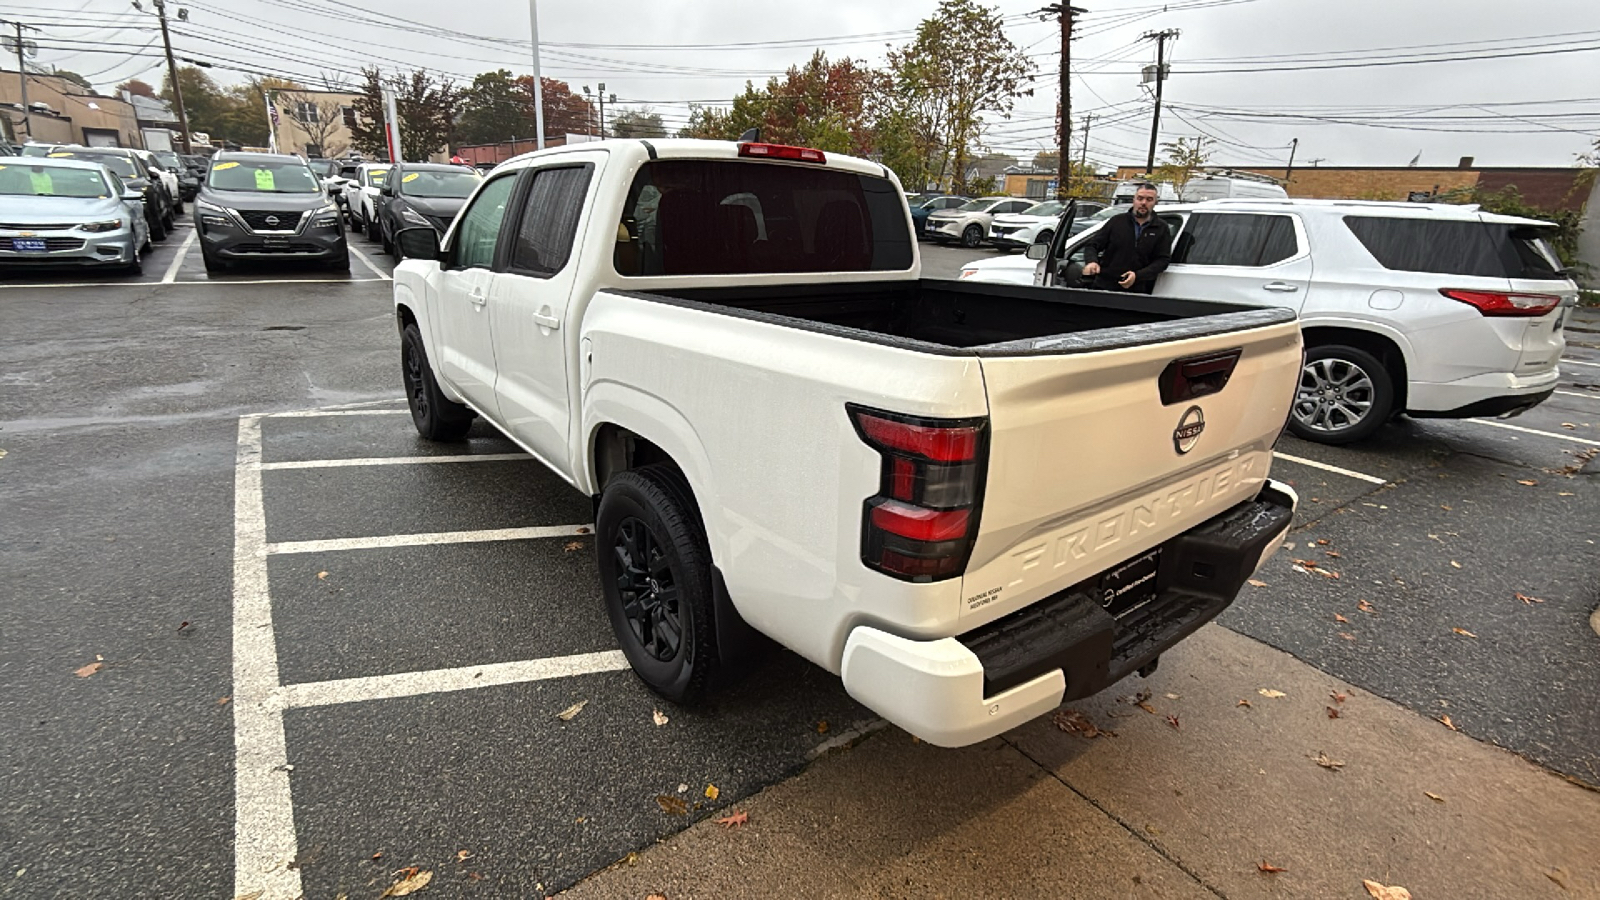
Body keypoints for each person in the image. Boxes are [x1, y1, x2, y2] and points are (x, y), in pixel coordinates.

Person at [1081, 182, 1171, 294]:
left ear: (1155, 202)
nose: (1143, 203)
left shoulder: (1161, 228)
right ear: (1134, 200)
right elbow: (1092, 245)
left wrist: (1137, 276)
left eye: (1149, 199)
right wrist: (1092, 262)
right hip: (1105, 288)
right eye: (1140, 198)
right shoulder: (1117, 222)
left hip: (1138, 291)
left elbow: (1163, 260)